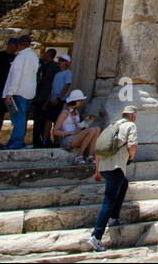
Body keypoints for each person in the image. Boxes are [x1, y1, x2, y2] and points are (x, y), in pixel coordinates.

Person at [88, 104, 139, 252]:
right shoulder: (131, 126)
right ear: (133, 116)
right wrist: (130, 158)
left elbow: (99, 148)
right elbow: (133, 145)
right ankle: (96, 237)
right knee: (108, 201)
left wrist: (97, 171)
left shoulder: (112, 125)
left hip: (104, 167)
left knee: (123, 184)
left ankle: (114, 217)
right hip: (116, 167)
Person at [1, 36, 38, 150]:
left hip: (18, 91)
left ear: (19, 44)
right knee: (21, 118)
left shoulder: (21, 57)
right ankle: (15, 140)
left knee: (18, 118)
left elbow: (16, 75)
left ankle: (16, 143)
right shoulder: (34, 56)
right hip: (29, 92)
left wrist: (10, 93)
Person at [53, 89, 101, 164]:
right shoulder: (64, 113)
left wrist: (87, 121)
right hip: (67, 139)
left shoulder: (76, 112)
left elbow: (78, 126)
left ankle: (90, 155)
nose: (81, 102)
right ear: (76, 101)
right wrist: (71, 133)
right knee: (92, 130)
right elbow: (55, 131)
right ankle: (80, 155)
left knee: (97, 129)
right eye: (80, 101)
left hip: (76, 135)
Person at [31, 47, 58, 148]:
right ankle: (36, 141)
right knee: (37, 120)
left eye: (46, 53)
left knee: (45, 119)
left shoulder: (54, 67)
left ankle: (45, 140)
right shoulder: (40, 64)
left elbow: (53, 83)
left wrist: (49, 99)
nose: (44, 55)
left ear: (50, 55)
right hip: (37, 96)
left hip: (46, 96)